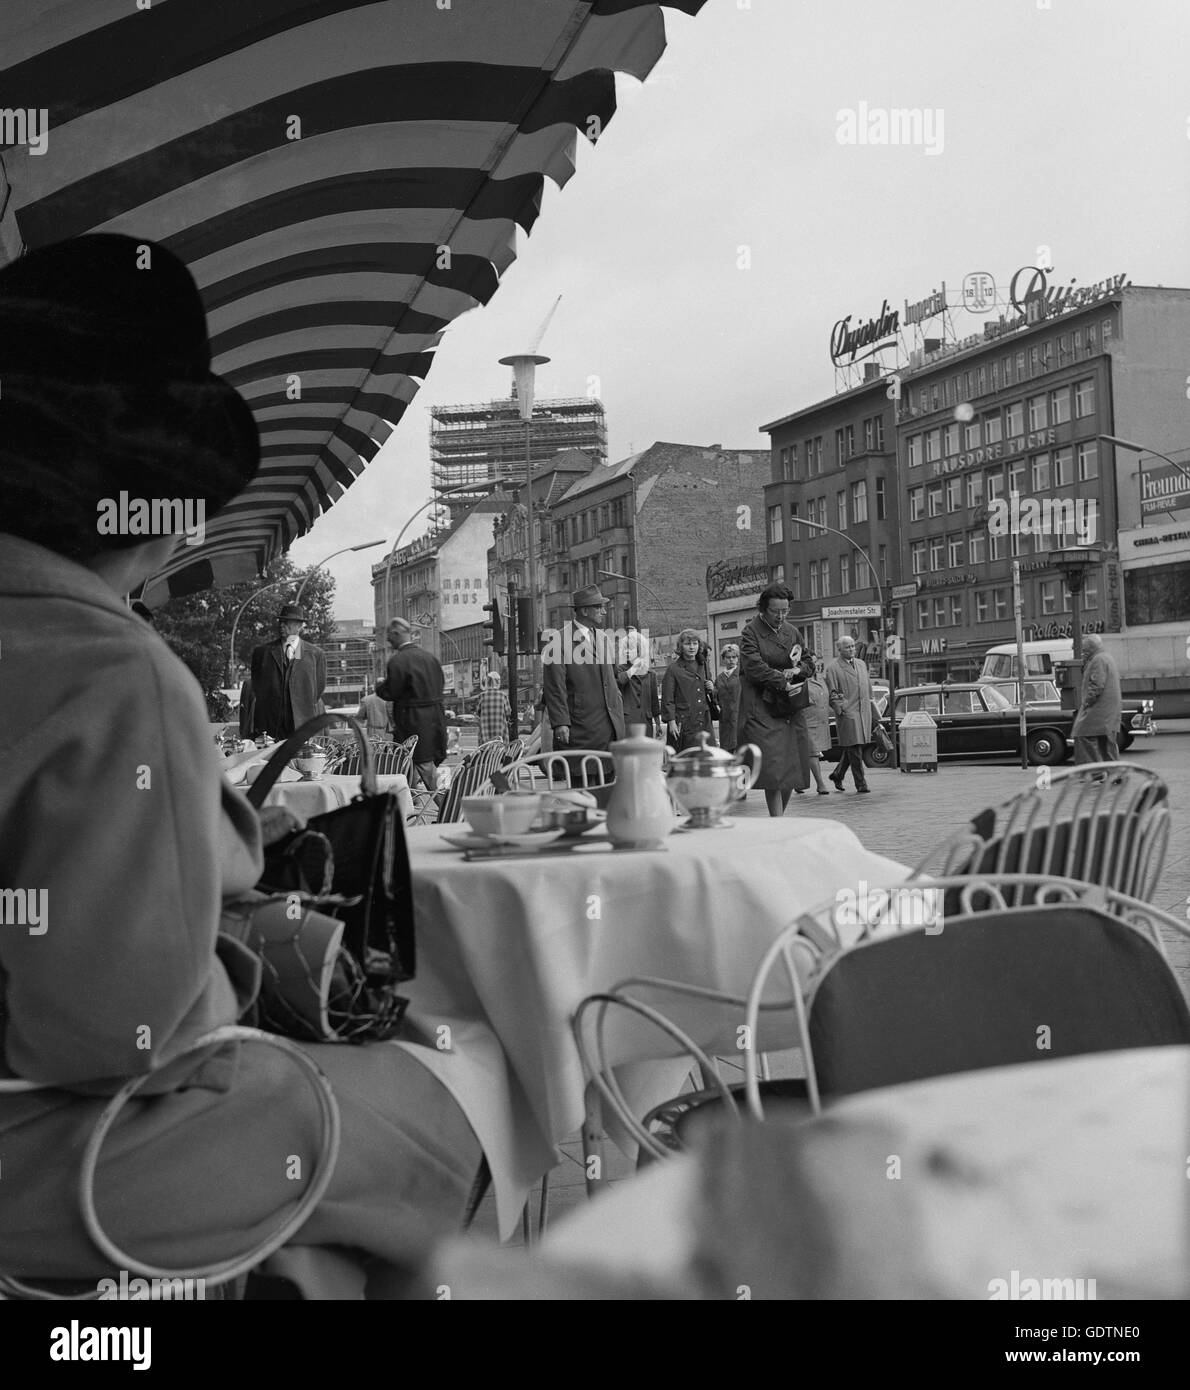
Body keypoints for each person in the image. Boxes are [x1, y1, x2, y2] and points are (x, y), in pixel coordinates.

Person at [0, 233, 480, 1297]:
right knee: (446, 1098)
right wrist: (240, 956)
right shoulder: (108, 677)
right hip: (41, 1166)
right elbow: (125, 1042)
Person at [737, 585, 814, 817]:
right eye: (775, 612)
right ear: (763, 609)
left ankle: (779, 819)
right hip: (763, 707)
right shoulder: (750, 632)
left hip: (791, 706)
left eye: (785, 611)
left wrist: (798, 670)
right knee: (773, 768)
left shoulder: (792, 631)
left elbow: (809, 661)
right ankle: (777, 820)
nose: (780, 617)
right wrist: (781, 678)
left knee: (792, 768)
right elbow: (753, 667)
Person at [542, 585, 627, 752]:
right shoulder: (558, 640)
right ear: (585, 611)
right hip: (580, 729)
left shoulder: (603, 638)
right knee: (582, 774)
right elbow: (554, 687)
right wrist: (561, 723)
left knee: (608, 776)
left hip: (609, 728)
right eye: (599, 607)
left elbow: (613, 676)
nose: (604, 612)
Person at [377, 617, 448, 790]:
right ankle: (408, 808)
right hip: (436, 718)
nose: (388, 639)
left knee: (422, 766)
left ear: (397, 633)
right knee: (414, 767)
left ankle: (450, 809)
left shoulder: (398, 661)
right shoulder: (431, 658)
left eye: (389, 635)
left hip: (413, 722)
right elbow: (441, 685)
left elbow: (391, 691)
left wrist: (379, 686)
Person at [249, 602, 327, 739]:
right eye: (280, 621)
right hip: (270, 727)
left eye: (286, 622)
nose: (281, 625)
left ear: (299, 626)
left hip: (302, 726)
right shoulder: (262, 653)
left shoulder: (315, 654)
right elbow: (257, 686)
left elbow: (318, 690)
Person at [825, 635, 873, 793]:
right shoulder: (833, 668)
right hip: (848, 713)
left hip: (863, 712)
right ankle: (861, 783)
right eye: (848, 647)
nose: (852, 649)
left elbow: (868, 687)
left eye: (853, 646)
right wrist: (841, 709)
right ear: (839, 649)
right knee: (855, 749)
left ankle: (838, 774)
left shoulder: (861, 664)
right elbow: (832, 692)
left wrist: (872, 709)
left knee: (855, 746)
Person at [662, 629, 719, 752]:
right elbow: (668, 698)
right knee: (686, 760)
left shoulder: (703, 664)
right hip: (684, 721)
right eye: (688, 644)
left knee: (707, 758)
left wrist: (711, 687)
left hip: (704, 720)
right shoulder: (673, 669)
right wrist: (671, 722)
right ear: (681, 646)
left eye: (695, 643)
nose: (692, 647)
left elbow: (710, 693)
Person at [1072, 632, 1122, 764]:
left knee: (1082, 734)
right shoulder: (1106, 657)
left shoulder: (1097, 660)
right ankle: (1115, 773)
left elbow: (1096, 685)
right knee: (1106, 742)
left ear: (1091, 648)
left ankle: (1093, 771)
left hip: (1098, 710)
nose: (1083, 652)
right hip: (1108, 710)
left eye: (1085, 650)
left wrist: (1086, 703)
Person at [621, 626, 662, 738]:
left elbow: (654, 702)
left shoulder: (650, 674)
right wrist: (633, 668)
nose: (627, 651)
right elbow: (619, 682)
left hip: (646, 723)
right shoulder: (621, 669)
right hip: (627, 723)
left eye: (631, 648)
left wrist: (658, 724)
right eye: (626, 648)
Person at [802, 654, 834, 795]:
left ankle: (799, 782)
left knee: (807, 753)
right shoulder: (800, 680)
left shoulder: (820, 678)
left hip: (821, 722)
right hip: (807, 721)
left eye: (815, 662)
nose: (814, 666)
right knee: (813, 753)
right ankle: (820, 784)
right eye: (811, 663)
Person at [715, 644, 741, 752]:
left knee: (740, 748)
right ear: (723, 659)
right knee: (726, 749)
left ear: (738, 658)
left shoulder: (742, 674)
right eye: (728, 657)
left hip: (739, 716)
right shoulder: (719, 678)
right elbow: (715, 697)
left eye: (734, 657)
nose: (731, 660)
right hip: (725, 718)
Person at [476, 671, 512, 745]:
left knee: (485, 754)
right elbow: (508, 713)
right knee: (500, 754)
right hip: (500, 733)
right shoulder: (503, 696)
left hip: (485, 734)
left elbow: (478, 713)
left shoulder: (481, 696)